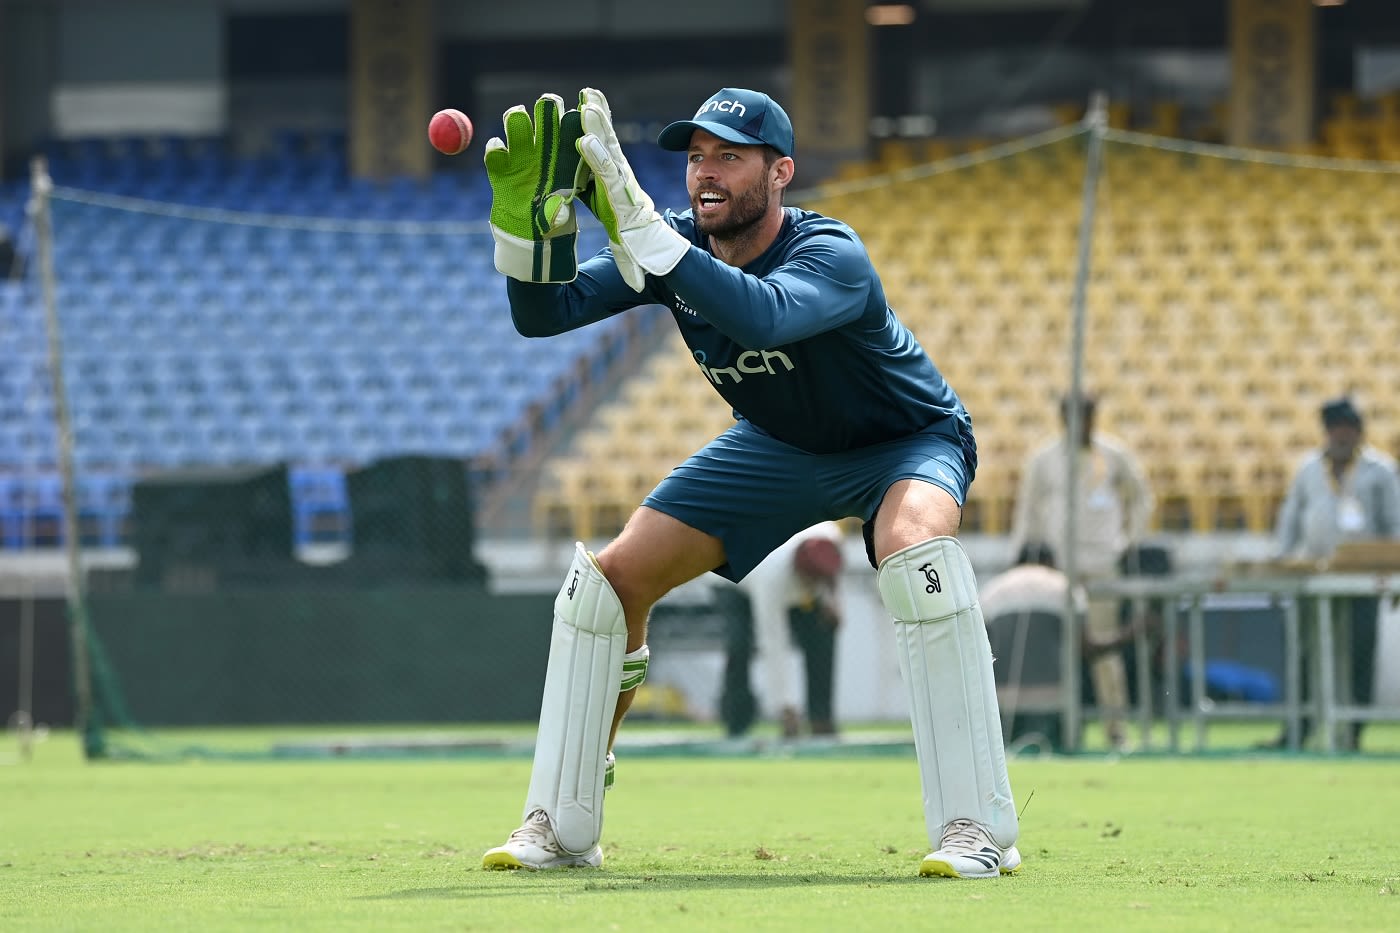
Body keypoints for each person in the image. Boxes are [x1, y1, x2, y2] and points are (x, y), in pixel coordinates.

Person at [477, 87, 1020, 878]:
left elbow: (762, 317)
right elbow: (544, 314)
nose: (706, 172)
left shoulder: (830, 251)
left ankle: (978, 827)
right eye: (695, 156)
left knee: (914, 550)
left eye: (730, 155)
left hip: (904, 440)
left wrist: (645, 235)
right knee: (610, 582)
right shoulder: (668, 245)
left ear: (781, 172)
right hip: (777, 444)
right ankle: (563, 822)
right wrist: (532, 236)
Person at [1008, 393, 1153, 750]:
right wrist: (1023, 555)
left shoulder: (1112, 454)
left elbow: (1141, 496)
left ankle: (1115, 731)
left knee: (1106, 652)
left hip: (1103, 566)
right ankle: (1060, 729)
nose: (1082, 424)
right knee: (1056, 651)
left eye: (1087, 417)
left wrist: (1128, 540)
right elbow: (1027, 510)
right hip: (1060, 569)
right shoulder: (1044, 459)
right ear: (1062, 419)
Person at [1263, 396, 1400, 750]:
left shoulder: (1379, 470)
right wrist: (1280, 562)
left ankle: (1353, 730)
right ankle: (1301, 727)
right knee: (1307, 654)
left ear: (1359, 432)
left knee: (1359, 652)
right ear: (1327, 432)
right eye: (1337, 428)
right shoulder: (1309, 468)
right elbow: (1291, 517)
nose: (1343, 435)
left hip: (1361, 577)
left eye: (1349, 429)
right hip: (1316, 574)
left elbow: (1395, 523)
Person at [723, 521, 846, 739]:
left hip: (793, 589)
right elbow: (772, 643)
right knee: (739, 645)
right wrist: (785, 705)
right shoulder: (770, 574)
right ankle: (738, 723)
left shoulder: (829, 534)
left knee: (824, 631)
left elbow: (830, 572)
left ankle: (821, 719)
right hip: (734, 583)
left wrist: (832, 600)